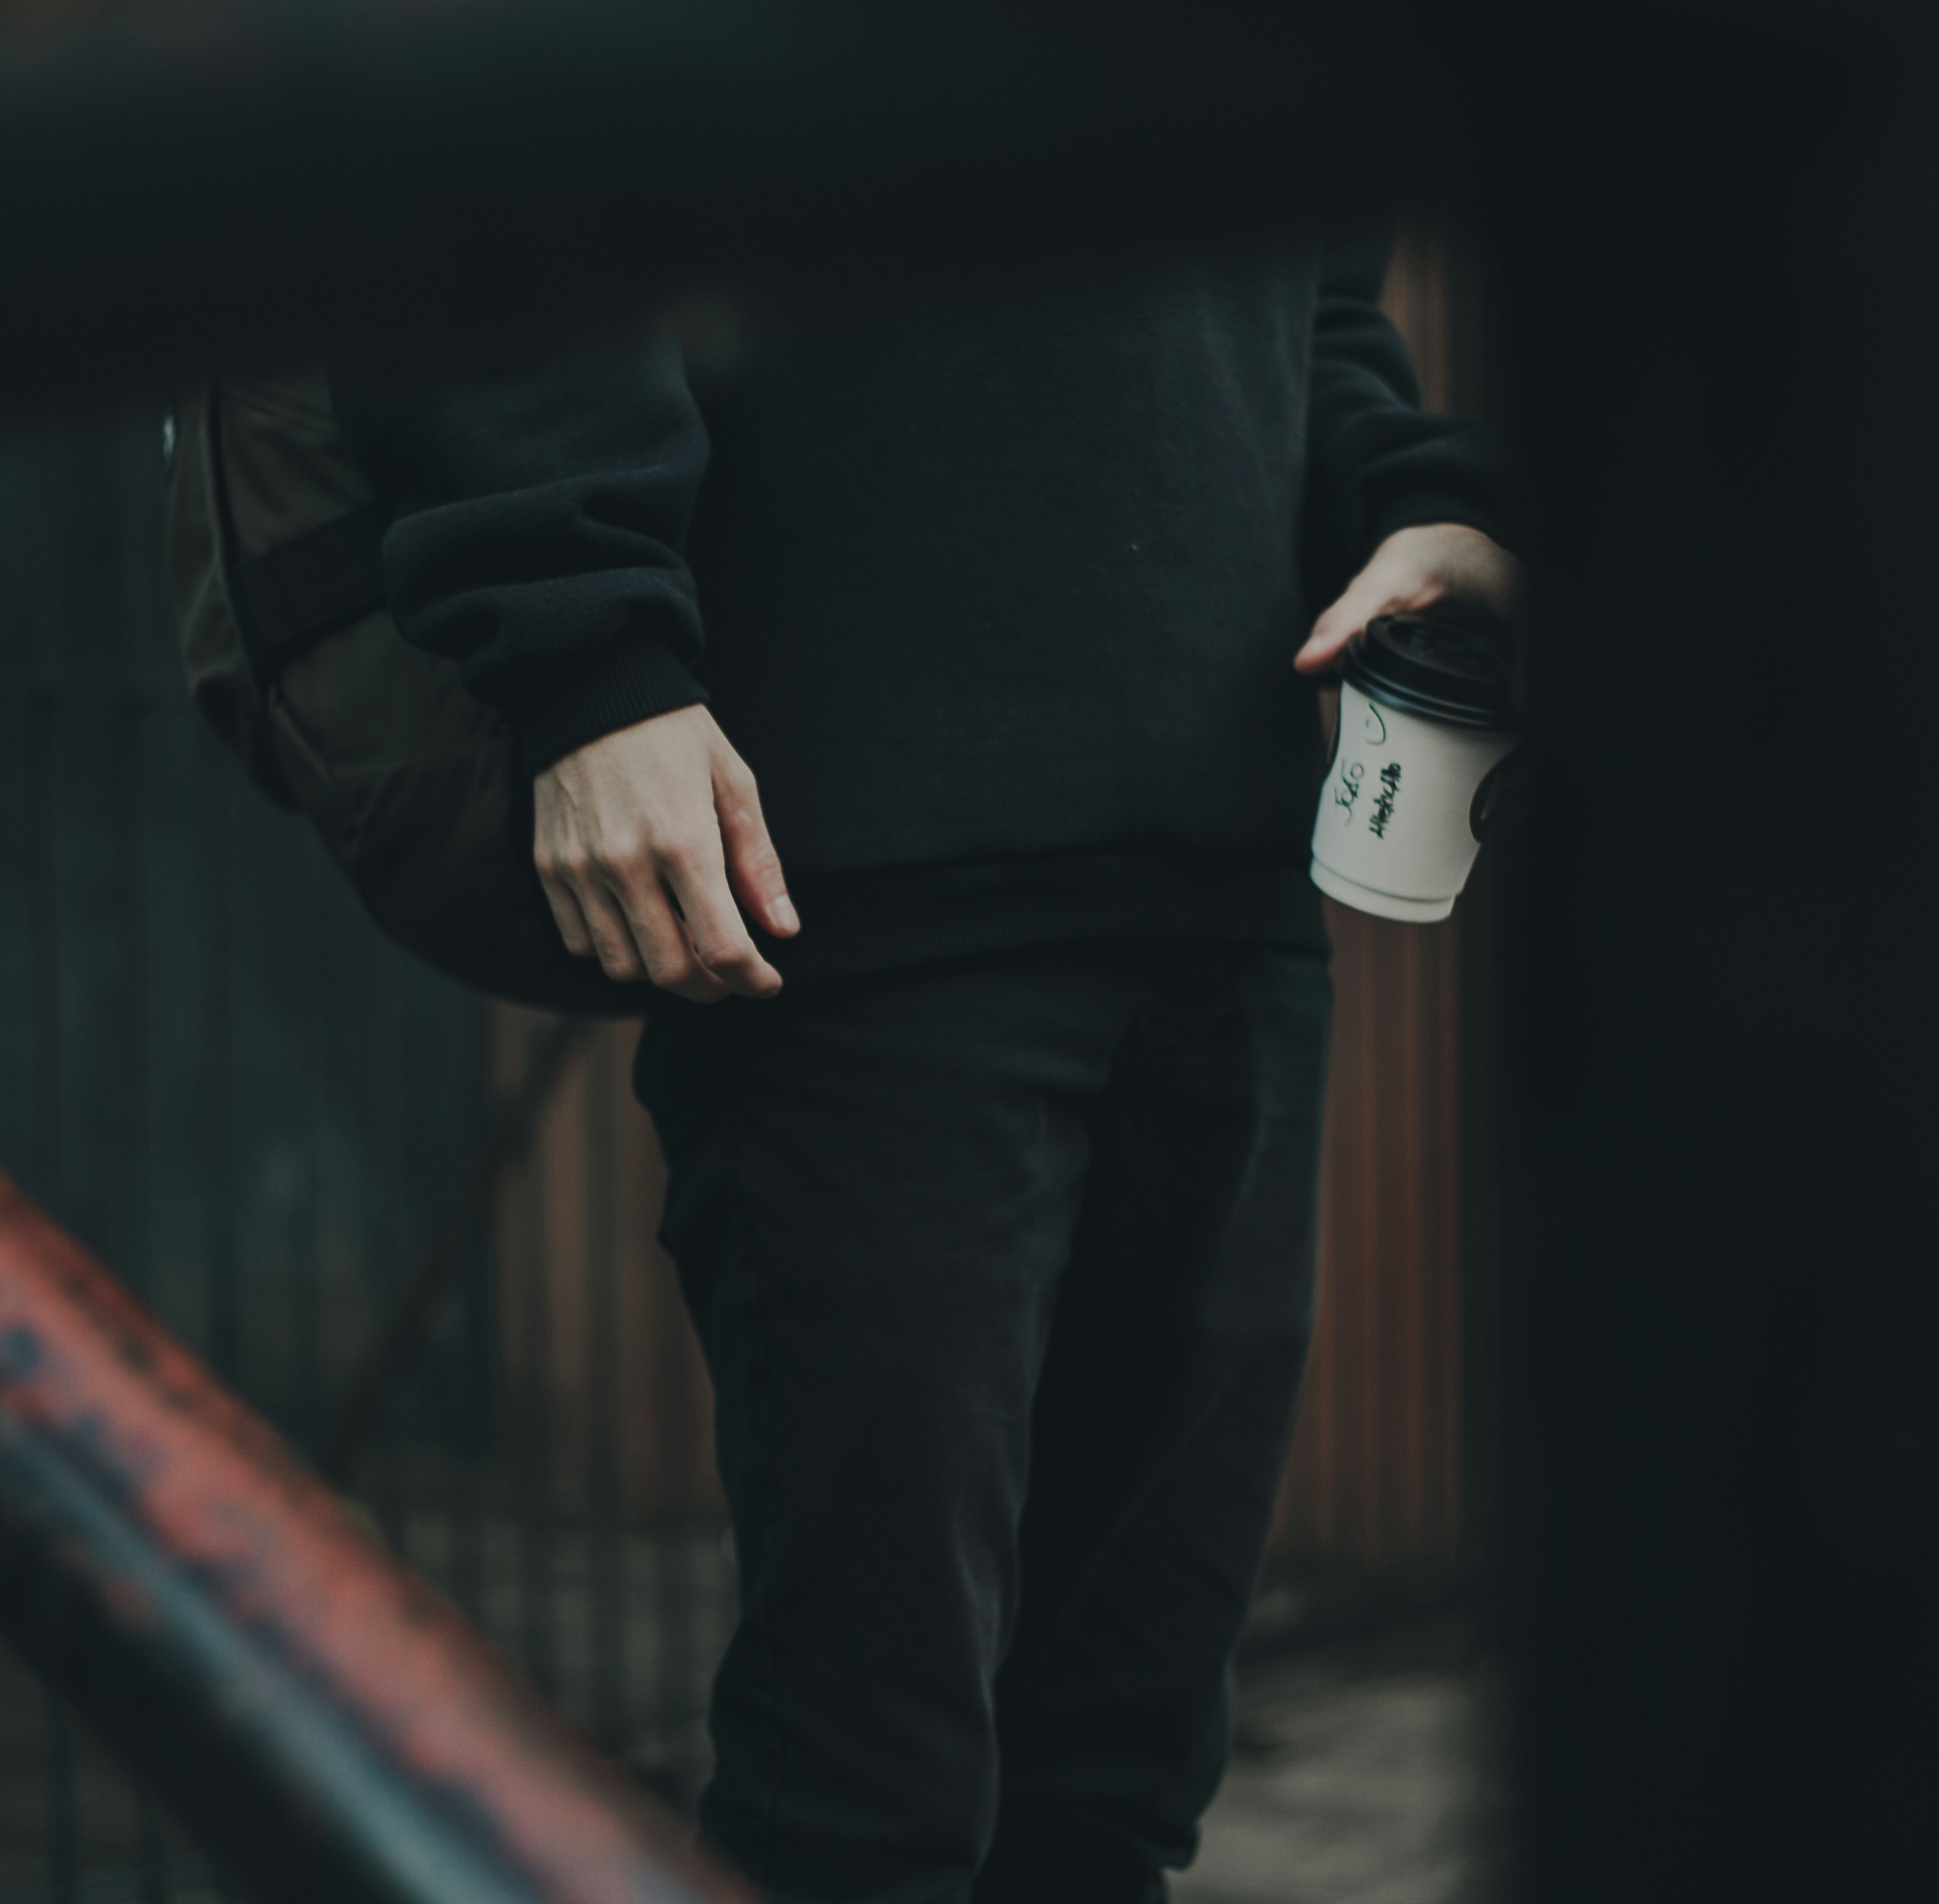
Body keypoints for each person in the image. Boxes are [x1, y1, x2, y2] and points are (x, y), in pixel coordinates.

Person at [350, 225, 1516, 1904]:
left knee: (1116, 1787)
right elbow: (494, 187)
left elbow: (1308, 297)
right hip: (865, 894)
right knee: (866, 1798)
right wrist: (586, 657)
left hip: (1233, 900)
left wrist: (1416, 500)